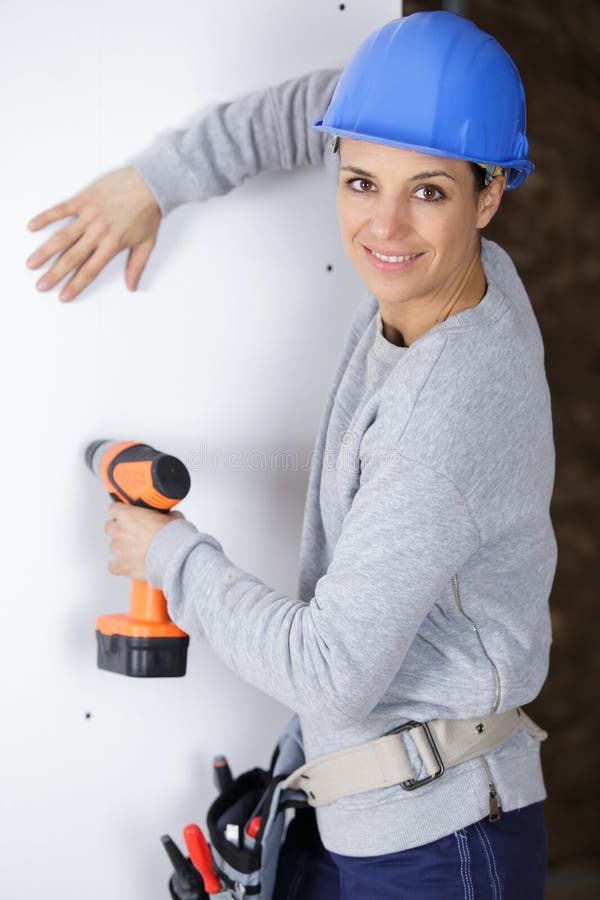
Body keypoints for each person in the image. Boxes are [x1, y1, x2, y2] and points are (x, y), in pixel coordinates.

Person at [28, 12, 556, 899]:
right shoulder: (451, 272)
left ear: (489, 194)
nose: (384, 225)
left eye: (428, 193)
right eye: (359, 182)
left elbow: (332, 670)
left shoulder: (447, 411)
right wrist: (157, 180)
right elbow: (309, 111)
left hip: (443, 846)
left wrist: (170, 557)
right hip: (362, 811)